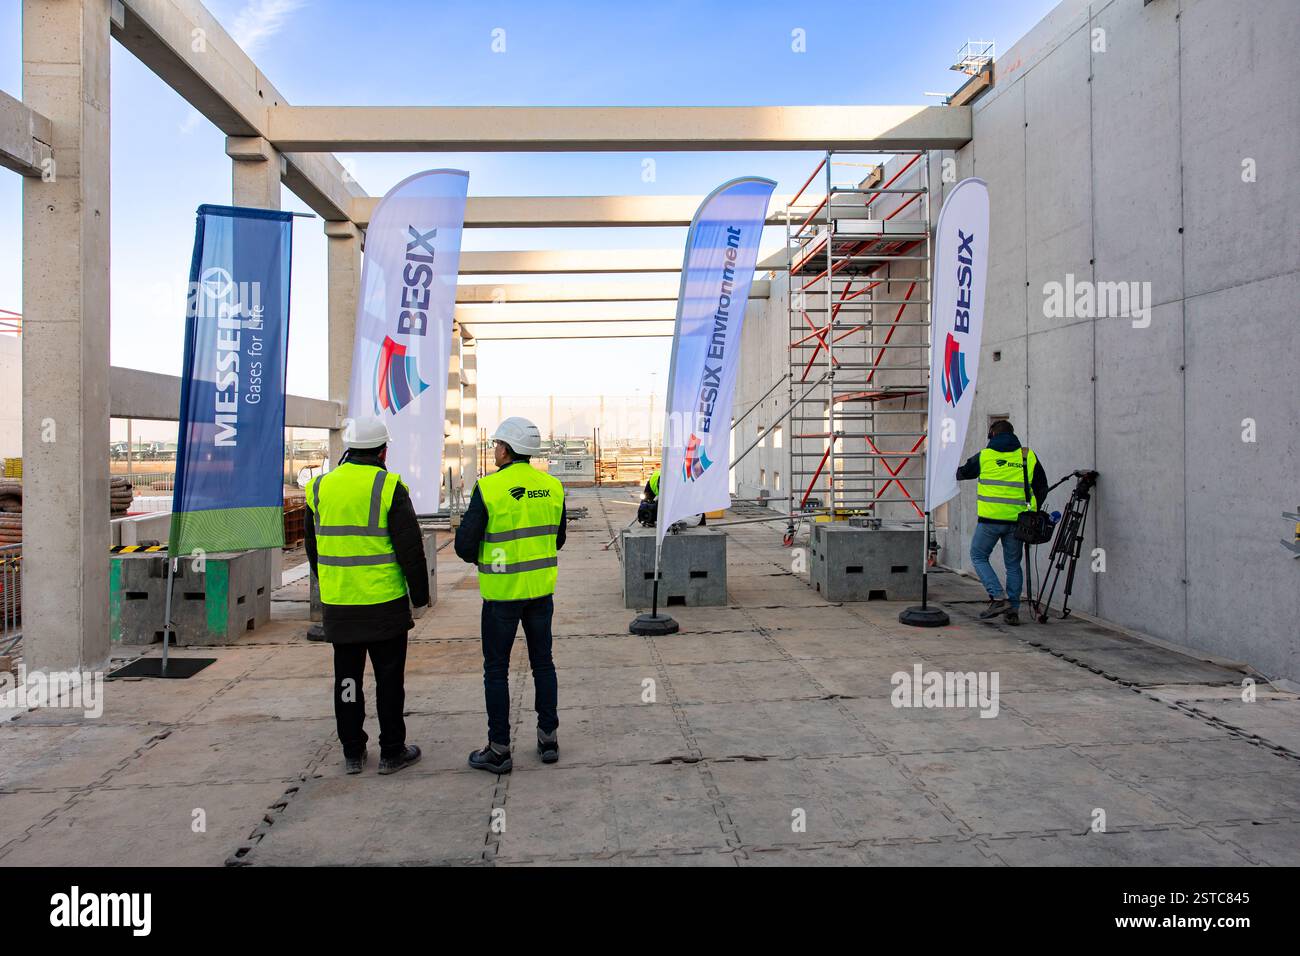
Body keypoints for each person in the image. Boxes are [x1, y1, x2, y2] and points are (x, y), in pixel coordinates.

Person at [305, 416, 430, 775]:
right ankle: (392, 751)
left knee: (347, 680)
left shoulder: (319, 487)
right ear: (382, 451)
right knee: (389, 680)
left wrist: (332, 581)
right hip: (384, 604)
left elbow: (313, 549)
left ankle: (352, 751)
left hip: (340, 604)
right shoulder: (388, 486)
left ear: (348, 448)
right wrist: (419, 596)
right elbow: (410, 549)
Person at [455, 417, 567, 774]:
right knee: (543, 664)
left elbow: (464, 546)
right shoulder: (552, 487)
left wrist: (488, 557)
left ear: (506, 449)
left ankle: (499, 749)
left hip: (502, 596)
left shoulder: (489, 488)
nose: (494, 450)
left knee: (496, 670)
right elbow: (558, 538)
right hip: (540, 593)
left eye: (496, 445)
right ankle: (548, 740)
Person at [955, 419, 1047, 626]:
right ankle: (1012, 611)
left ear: (992, 435)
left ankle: (998, 597)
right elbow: (1042, 487)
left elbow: (962, 473)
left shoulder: (985, 456)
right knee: (1013, 565)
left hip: (990, 521)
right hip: (1018, 522)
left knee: (978, 556)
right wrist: (1033, 512)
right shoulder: (1027, 456)